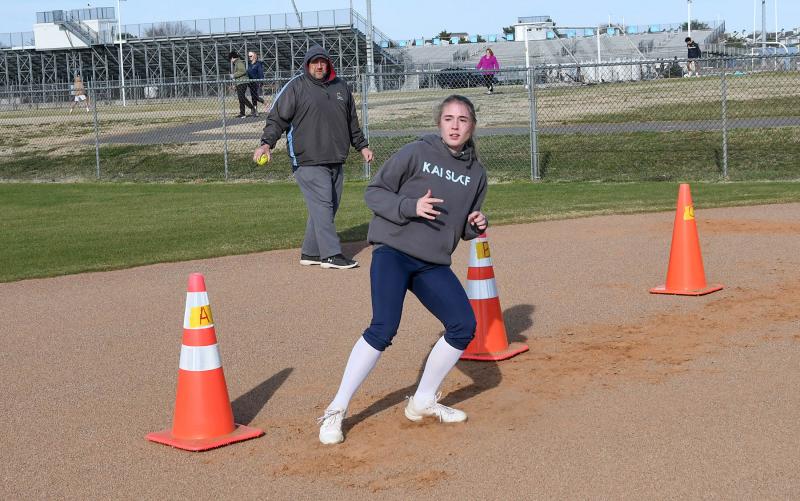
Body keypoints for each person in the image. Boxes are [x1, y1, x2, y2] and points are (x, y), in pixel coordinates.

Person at [317, 94, 489, 445]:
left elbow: (461, 223)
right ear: (439, 123)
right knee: (383, 327)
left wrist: (476, 225)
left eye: (462, 119)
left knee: (463, 325)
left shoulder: (476, 174)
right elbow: (374, 192)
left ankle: (423, 400)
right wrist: (411, 206)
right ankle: (336, 409)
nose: (455, 125)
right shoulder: (417, 152)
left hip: (432, 262)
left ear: (472, 126)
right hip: (393, 251)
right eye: (448, 118)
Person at [252, 45, 374, 270]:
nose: (319, 66)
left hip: (335, 157)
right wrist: (266, 143)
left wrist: (362, 146)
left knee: (327, 206)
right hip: (307, 159)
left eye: (323, 61)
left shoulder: (341, 88)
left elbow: (352, 123)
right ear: (307, 64)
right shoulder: (296, 87)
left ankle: (311, 251)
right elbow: (277, 119)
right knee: (323, 205)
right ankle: (331, 254)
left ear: (328, 64)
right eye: (314, 62)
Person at [229, 51, 256, 118]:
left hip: (242, 82)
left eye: (230, 59)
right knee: (240, 98)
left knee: (241, 97)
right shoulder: (237, 63)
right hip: (240, 82)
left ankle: (252, 108)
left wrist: (234, 75)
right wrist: (235, 84)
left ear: (232, 58)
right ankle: (242, 113)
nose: (230, 60)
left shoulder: (239, 62)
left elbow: (243, 71)